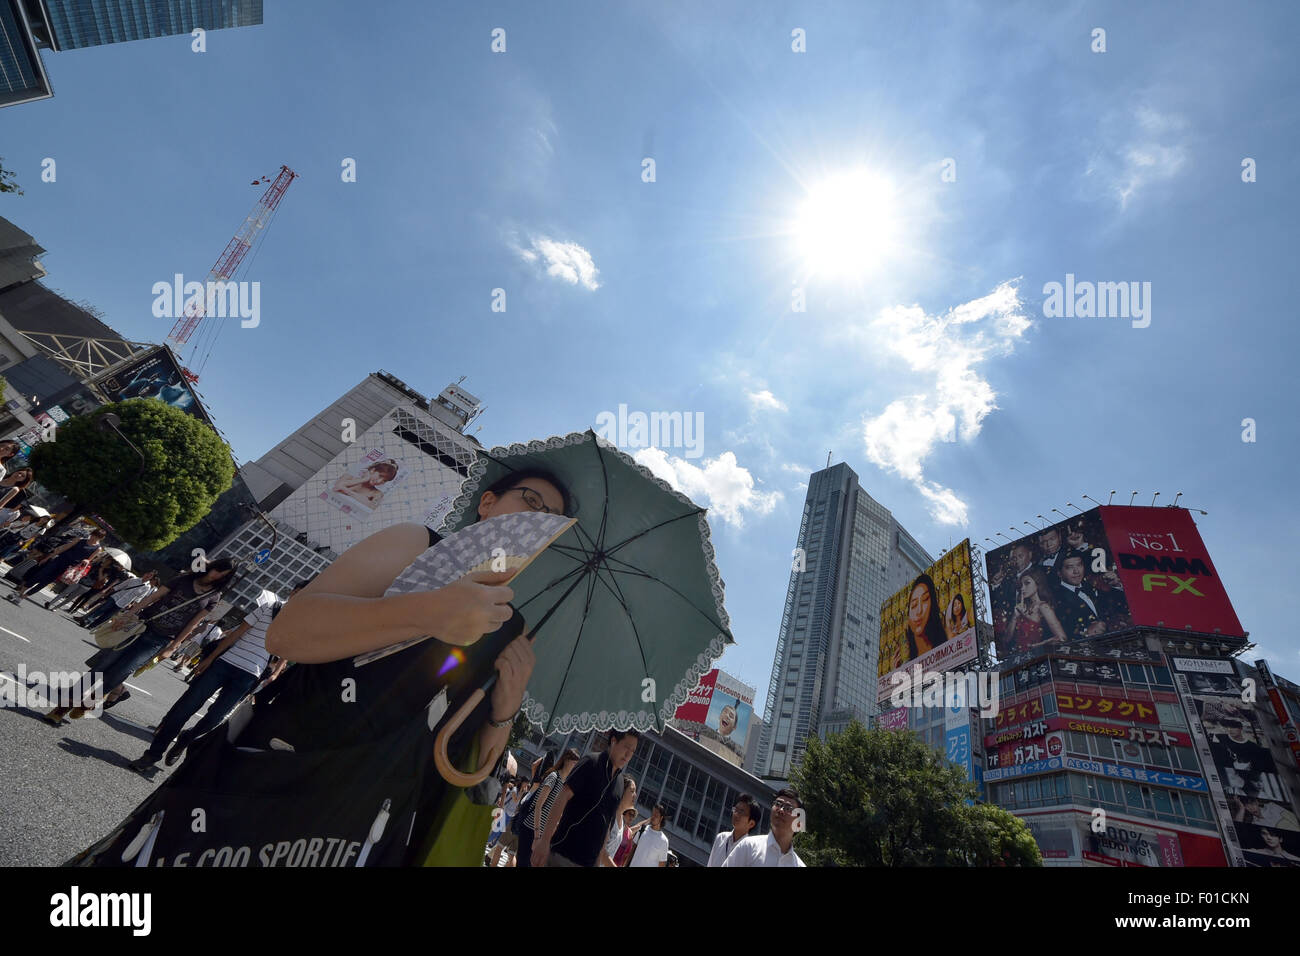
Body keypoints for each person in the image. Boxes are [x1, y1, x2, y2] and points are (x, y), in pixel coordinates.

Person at [226, 468, 573, 866]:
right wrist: (425, 613)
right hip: (284, 769)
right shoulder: (414, 543)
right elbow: (287, 634)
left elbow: (475, 772)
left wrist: (506, 709)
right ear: (487, 503)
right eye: (530, 501)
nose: (536, 519)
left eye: (549, 517)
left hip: (380, 822)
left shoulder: (514, 628)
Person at [128, 580, 314, 771]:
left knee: (214, 719)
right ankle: (152, 755)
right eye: (299, 592)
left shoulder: (301, 623)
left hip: (250, 675)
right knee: (185, 708)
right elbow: (236, 634)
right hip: (225, 663)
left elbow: (286, 651)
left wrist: (275, 673)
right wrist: (211, 658)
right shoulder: (269, 607)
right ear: (293, 592)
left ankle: (187, 738)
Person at [42, 559, 239, 724]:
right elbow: (154, 597)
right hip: (139, 626)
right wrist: (127, 615)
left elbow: (193, 624)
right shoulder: (184, 579)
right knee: (103, 665)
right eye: (217, 570)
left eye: (223, 575)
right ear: (212, 566)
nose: (217, 575)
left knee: (121, 671)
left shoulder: (213, 597)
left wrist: (173, 646)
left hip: (160, 639)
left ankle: (90, 701)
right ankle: (61, 709)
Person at [534, 729, 640, 867]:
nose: (628, 755)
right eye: (626, 747)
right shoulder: (591, 762)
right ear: (613, 741)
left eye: (633, 751)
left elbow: (606, 826)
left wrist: (597, 861)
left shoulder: (620, 783)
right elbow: (562, 797)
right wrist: (544, 840)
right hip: (563, 854)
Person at [517, 747, 580, 868]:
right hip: (531, 828)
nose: (575, 766)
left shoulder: (565, 785)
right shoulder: (554, 777)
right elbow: (538, 806)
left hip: (542, 834)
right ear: (566, 760)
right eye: (574, 762)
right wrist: (537, 835)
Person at [7, 528, 105, 605]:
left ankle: (23, 597)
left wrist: (86, 560)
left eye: (96, 537)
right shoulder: (80, 540)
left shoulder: (98, 548)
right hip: (60, 560)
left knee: (45, 582)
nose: (93, 538)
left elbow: (89, 560)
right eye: (93, 535)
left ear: (100, 539)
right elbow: (64, 548)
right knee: (39, 575)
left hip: (69, 567)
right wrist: (49, 557)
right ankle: (20, 593)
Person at [722, 788, 806, 867]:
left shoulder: (798, 865)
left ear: (798, 823)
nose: (781, 810)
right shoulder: (749, 846)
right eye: (778, 804)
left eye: (788, 808)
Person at [1005, 569, 1068, 653]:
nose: (1022, 588)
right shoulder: (1022, 608)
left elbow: (1062, 637)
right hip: (1019, 659)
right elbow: (1006, 639)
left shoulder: (1043, 607)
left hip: (1040, 658)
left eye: (1027, 583)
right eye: (1021, 585)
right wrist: (1015, 616)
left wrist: (1037, 646)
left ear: (1038, 583)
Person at [79, 571, 159, 630]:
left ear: (151, 578)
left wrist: (132, 604)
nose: (148, 576)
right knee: (102, 609)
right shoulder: (134, 579)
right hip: (116, 597)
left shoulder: (147, 587)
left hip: (124, 603)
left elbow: (139, 597)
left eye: (150, 576)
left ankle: (92, 626)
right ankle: (87, 620)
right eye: (148, 573)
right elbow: (120, 586)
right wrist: (108, 593)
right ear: (145, 573)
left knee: (108, 615)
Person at [1053, 554, 1102, 640]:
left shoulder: (1090, 586)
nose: (1076, 571)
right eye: (1070, 567)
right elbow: (1064, 632)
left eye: (1079, 565)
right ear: (1059, 573)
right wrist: (1087, 632)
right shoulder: (1056, 597)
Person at [707, 793, 761, 866]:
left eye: (741, 812)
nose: (736, 814)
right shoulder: (721, 837)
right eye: (735, 809)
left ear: (751, 823)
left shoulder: (750, 850)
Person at [903, 573, 947, 660]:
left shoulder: (947, 649)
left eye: (925, 599)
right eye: (914, 605)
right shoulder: (905, 665)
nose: (919, 611)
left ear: (933, 604)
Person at [601, 779, 639, 866]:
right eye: (632, 791)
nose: (635, 795)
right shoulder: (609, 815)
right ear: (622, 791)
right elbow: (600, 850)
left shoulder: (621, 821)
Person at [627, 803, 670, 867]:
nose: (653, 816)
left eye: (656, 815)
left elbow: (661, 864)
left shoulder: (664, 841)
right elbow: (632, 850)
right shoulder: (642, 829)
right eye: (653, 813)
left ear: (661, 818)